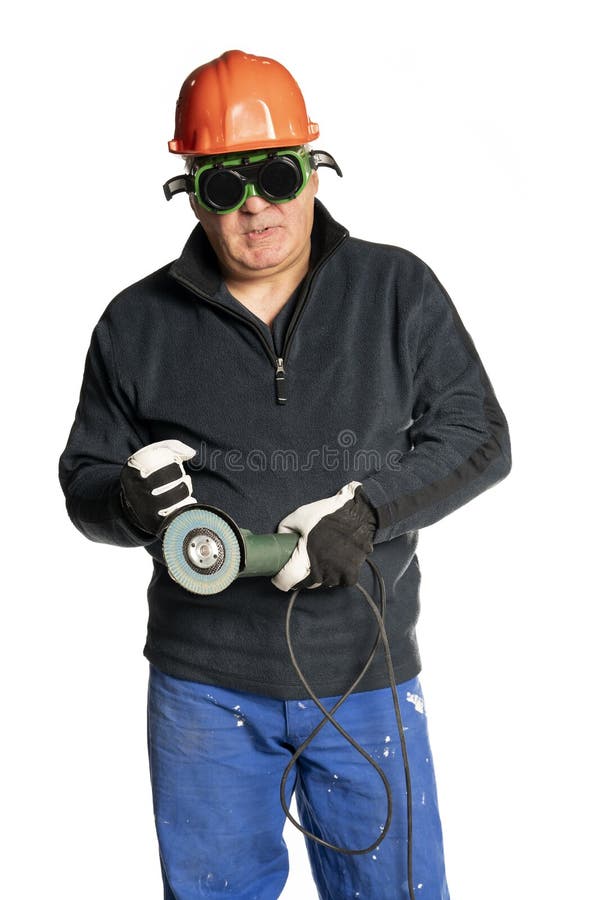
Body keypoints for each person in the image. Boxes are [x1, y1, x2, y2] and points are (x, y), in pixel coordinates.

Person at [59, 49, 511, 900]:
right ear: (193, 193)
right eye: (225, 184)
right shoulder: (134, 323)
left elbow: (479, 434)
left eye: (275, 173)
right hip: (202, 692)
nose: (255, 205)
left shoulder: (395, 288)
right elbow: (84, 480)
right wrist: (125, 501)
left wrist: (370, 512)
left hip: (364, 678)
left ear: (312, 167)